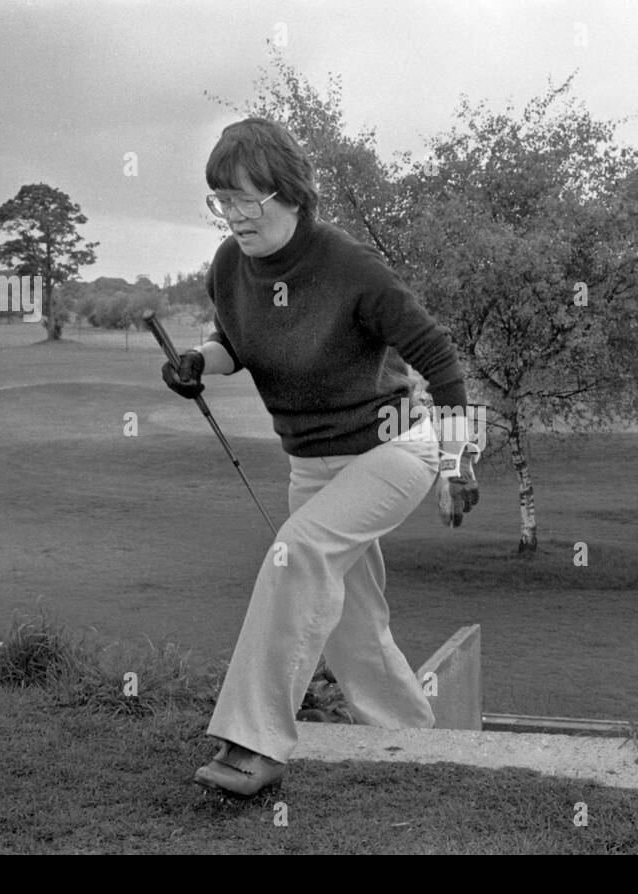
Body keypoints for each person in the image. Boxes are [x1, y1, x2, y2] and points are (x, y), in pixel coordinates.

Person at [162, 117, 480, 796]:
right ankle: (421, 742)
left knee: (295, 553)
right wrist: (198, 362)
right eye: (221, 199)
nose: (234, 215)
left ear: (291, 193)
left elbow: (440, 359)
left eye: (247, 199)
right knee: (354, 631)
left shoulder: (349, 266)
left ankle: (253, 741)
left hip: (395, 450)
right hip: (311, 467)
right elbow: (235, 342)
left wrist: (458, 462)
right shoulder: (229, 267)